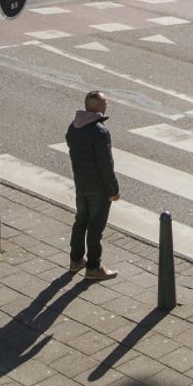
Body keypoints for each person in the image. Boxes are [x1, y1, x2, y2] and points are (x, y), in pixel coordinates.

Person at [64, 90, 120, 281]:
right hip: (98, 187)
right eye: (105, 103)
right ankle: (94, 267)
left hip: (81, 183)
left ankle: (76, 259)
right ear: (99, 108)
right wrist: (114, 189)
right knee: (96, 227)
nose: (107, 105)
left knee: (80, 221)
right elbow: (106, 164)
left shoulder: (74, 127)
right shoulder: (100, 132)